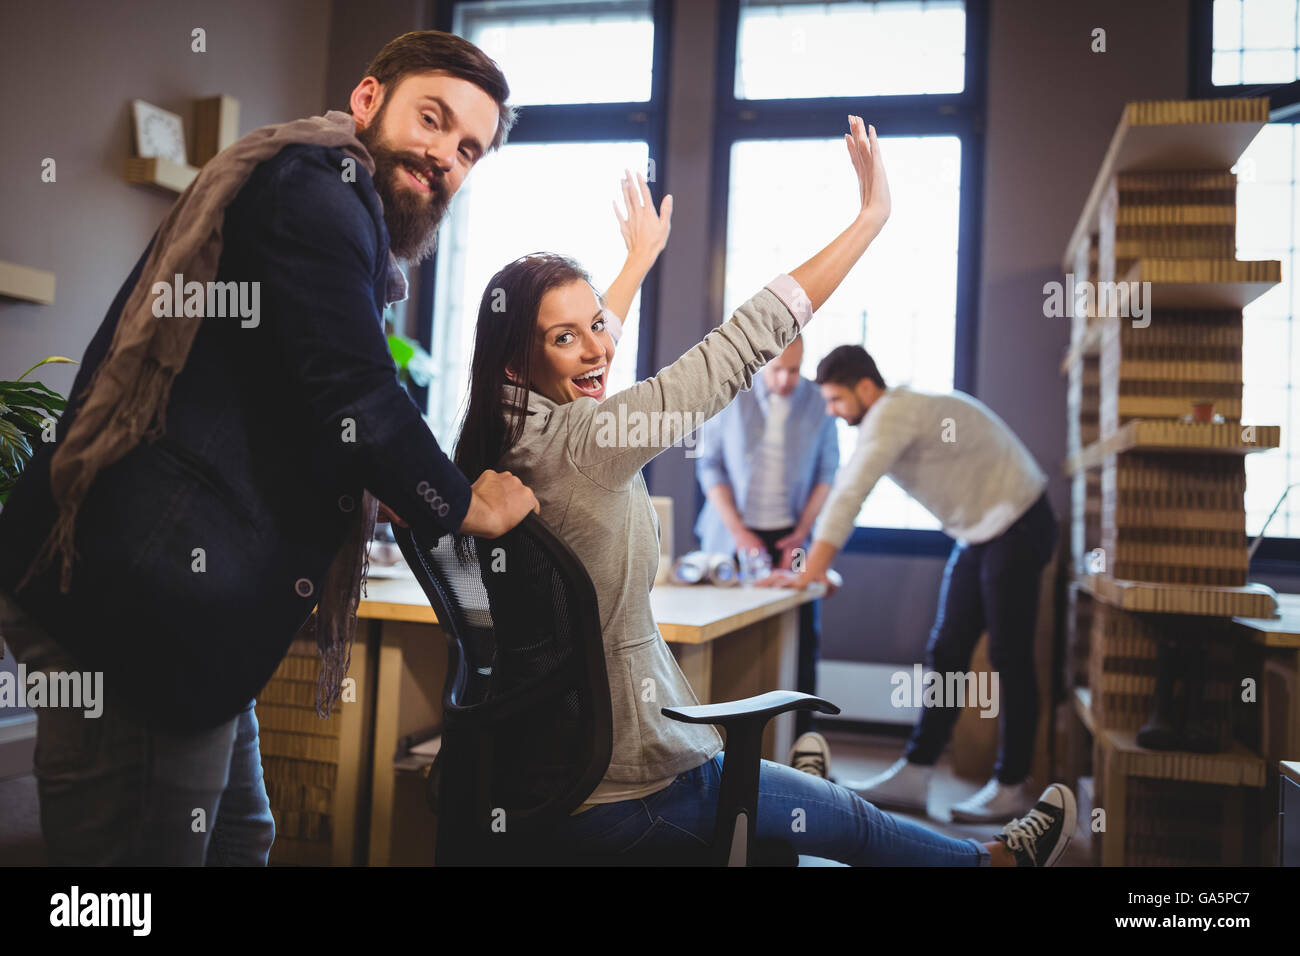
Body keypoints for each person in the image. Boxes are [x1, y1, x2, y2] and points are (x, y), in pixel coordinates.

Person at [450, 118, 1076, 866]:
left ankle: (793, 798)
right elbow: (737, 347)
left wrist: (637, 260)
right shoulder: (589, 444)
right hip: (631, 789)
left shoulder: (509, 435)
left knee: (803, 811)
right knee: (851, 821)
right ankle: (994, 863)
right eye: (567, 338)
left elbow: (585, 340)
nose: (597, 348)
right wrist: (868, 222)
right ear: (522, 360)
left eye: (597, 326)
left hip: (552, 774)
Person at [0, 30, 537, 865]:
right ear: (368, 100)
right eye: (432, 119)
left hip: (193, 625)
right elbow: (357, 393)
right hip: (138, 609)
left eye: (468, 148)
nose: (443, 156)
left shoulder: (337, 207)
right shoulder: (316, 186)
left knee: (241, 837)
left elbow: (307, 398)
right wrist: (469, 503)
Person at [760, 345, 1058, 823]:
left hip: (1020, 521)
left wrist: (808, 571)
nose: (833, 412)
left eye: (836, 401)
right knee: (948, 649)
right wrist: (811, 568)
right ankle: (917, 772)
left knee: (1009, 656)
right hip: (981, 533)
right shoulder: (893, 414)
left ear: (863, 387)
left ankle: (1012, 786)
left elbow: (849, 494)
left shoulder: (892, 413)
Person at [693, 334, 838, 757]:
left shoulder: (817, 400)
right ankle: (723, 748)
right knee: (731, 629)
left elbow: (829, 472)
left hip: (792, 534)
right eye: (777, 370)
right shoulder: (731, 394)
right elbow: (710, 467)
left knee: (803, 633)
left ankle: (802, 745)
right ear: (760, 365)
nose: (786, 379)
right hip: (734, 533)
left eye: (794, 369)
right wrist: (739, 532)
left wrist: (802, 531)